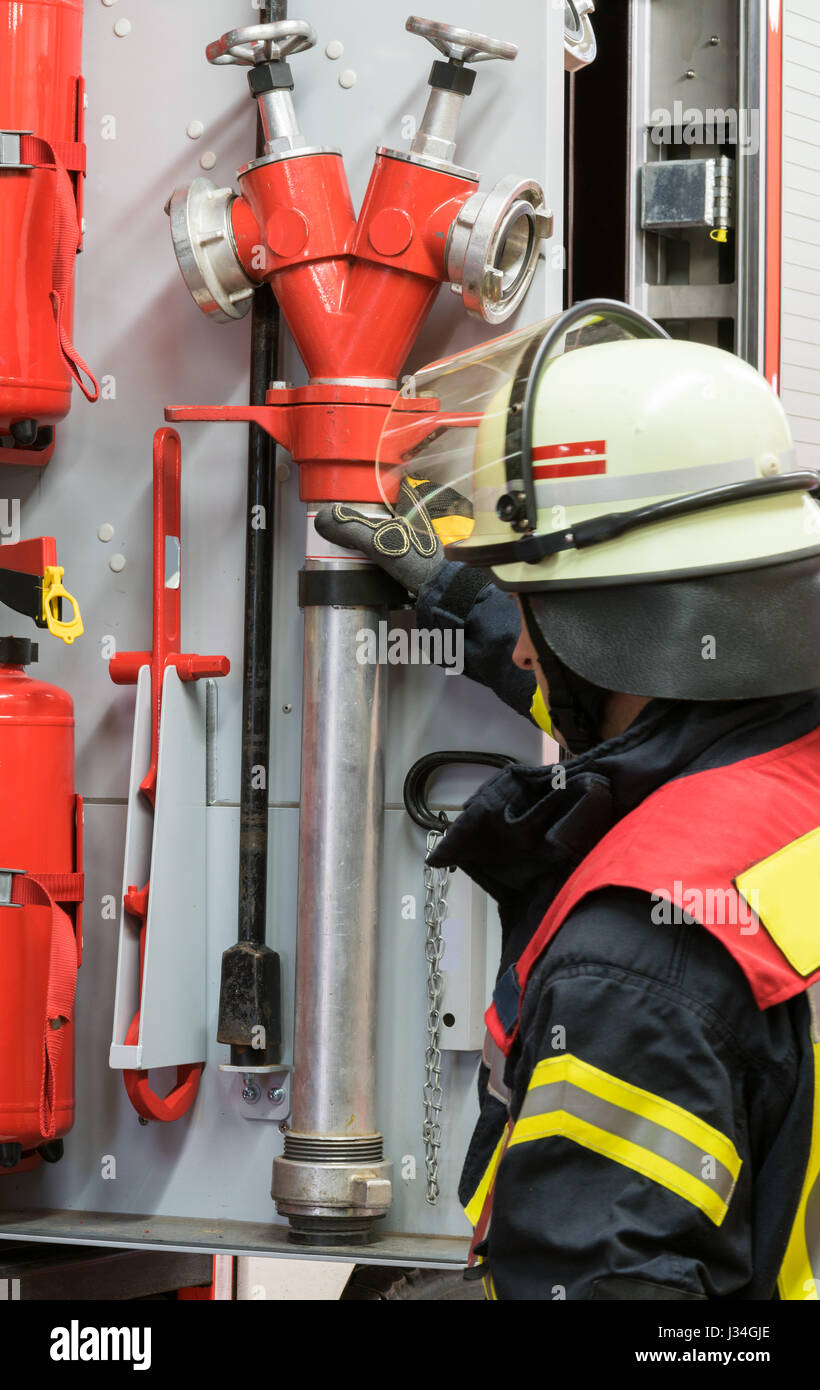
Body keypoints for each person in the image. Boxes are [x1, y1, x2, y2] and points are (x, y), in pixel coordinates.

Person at [315, 300, 820, 1301]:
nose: (522, 649)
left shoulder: (633, 957)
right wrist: (469, 596)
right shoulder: (780, 789)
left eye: (533, 610)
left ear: (609, 626)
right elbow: (655, 675)